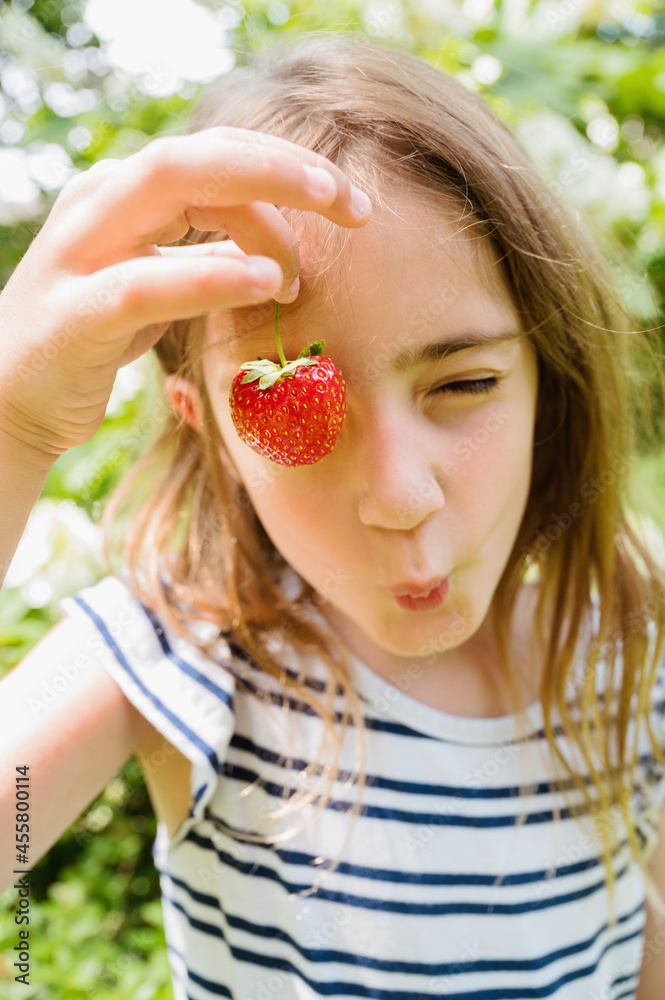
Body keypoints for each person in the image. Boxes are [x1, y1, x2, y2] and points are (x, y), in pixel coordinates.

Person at [2, 29, 665, 1000]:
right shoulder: (175, 652)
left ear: (545, 378)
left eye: (464, 381)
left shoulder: (625, 646)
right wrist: (13, 425)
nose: (400, 495)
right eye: (303, 420)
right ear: (208, 430)